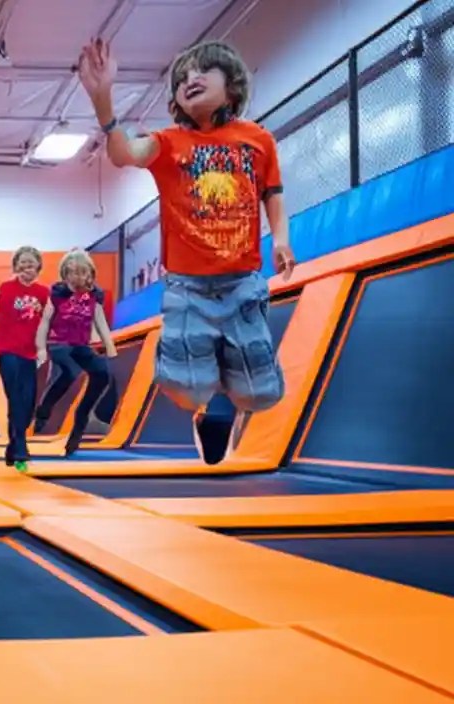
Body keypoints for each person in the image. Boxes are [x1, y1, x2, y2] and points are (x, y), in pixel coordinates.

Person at [78, 38, 296, 464]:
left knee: (262, 392)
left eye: (202, 71)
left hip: (241, 281)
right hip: (187, 285)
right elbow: (124, 153)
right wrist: (104, 104)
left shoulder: (257, 140)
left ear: (231, 87)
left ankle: (221, 408)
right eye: (182, 78)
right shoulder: (167, 142)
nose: (190, 79)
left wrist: (282, 238)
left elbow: (272, 192)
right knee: (182, 388)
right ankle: (206, 398)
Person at [33, 249, 118, 455]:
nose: (78, 278)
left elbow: (100, 322)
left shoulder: (94, 296)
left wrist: (110, 346)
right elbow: (45, 322)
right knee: (70, 370)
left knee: (102, 374)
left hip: (80, 345)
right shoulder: (58, 294)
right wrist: (42, 348)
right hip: (59, 343)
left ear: (90, 274)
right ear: (65, 273)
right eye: (73, 273)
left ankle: (79, 426)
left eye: (82, 273)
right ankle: (45, 409)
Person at [0, 245, 51, 472]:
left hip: (31, 353)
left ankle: (13, 445)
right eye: (23, 263)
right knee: (16, 396)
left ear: (38, 266)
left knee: (27, 403)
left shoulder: (44, 293)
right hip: (7, 351)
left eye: (31, 263)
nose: (27, 267)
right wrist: (22, 287)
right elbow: (5, 313)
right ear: (16, 266)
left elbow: (47, 322)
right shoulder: (7, 288)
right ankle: (21, 448)